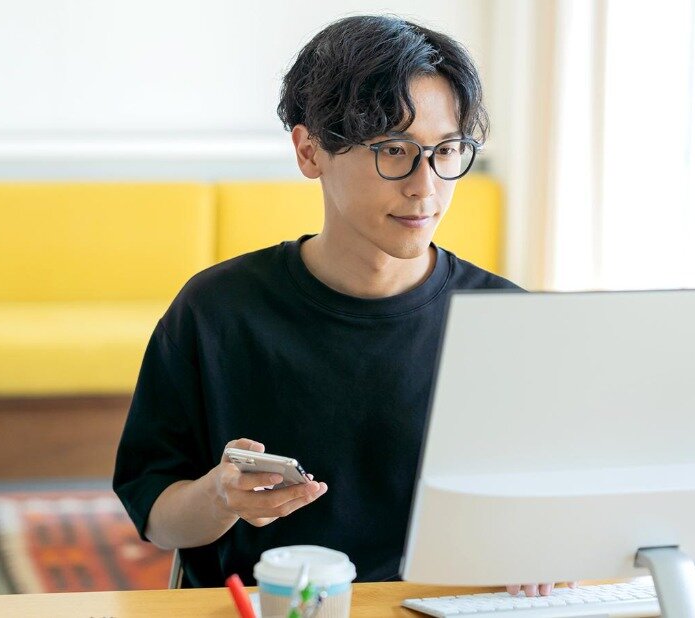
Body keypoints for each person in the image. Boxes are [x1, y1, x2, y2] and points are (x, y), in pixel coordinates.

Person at [114, 14, 537, 591]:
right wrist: (220, 496)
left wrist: (540, 550)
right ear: (310, 150)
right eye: (394, 150)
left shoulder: (509, 322)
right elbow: (159, 520)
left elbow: (546, 507)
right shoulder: (217, 313)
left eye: (447, 150)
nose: (426, 186)